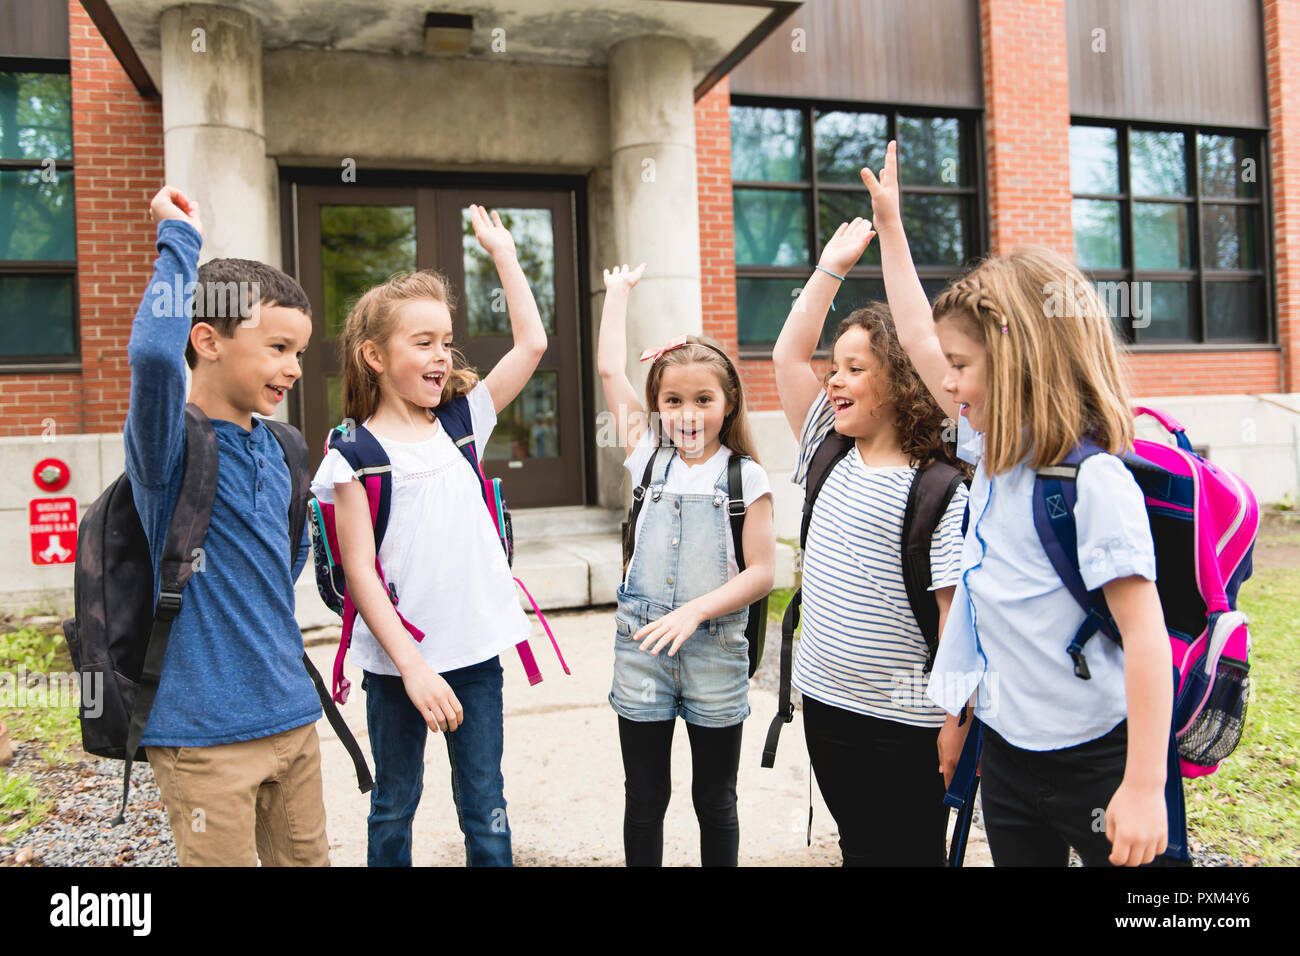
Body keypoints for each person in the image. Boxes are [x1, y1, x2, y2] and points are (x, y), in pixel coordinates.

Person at [864, 141, 1174, 866]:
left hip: (1098, 762)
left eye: (964, 367)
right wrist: (891, 229)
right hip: (1005, 754)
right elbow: (916, 338)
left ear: (1018, 361)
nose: (951, 385)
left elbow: (1147, 641)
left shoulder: (1091, 486)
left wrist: (1144, 785)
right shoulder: (989, 455)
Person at [311, 205, 547, 867]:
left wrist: (501, 252)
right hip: (394, 670)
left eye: (445, 340)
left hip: (474, 658)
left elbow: (531, 345)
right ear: (375, 355)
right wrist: (412, 668)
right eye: (423, 342)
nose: (442, 354)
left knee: (486, 811)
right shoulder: (351, 454)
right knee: (394, 806)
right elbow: (359, 570)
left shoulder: (464, 422)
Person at [130, 185, 328, 866]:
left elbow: (284, 566)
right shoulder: (168, 447)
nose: (293, 369)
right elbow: (155, 359)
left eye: (298, 352)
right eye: (277, 347)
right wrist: (180, 240)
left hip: (294, 722)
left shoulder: (286, 448)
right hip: (205, 741)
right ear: (207, 339)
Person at [772, 218, 969, 865]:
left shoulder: (938, 486)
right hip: (827, 706)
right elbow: (787, 356)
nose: (834, 380)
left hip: (907, 723)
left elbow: (954, 619)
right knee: (858, 848)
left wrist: (954, 721)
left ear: (903, 380)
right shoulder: (824, 447)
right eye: (836, 368)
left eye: (855, 368)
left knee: (911, 854)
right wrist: (831, 265)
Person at [597, 263, 775, 866]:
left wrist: (697, 612)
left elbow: (762, 574)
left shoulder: (744, 476)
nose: (687, 413)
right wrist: (617, 294)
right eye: (672, 400)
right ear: (657, 407)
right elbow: (606, 370)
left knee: (714, 799)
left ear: (727, 403)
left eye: (703, 399)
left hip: (715, 650)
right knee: (645, 797)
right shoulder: (647, 456)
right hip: (642, 647)